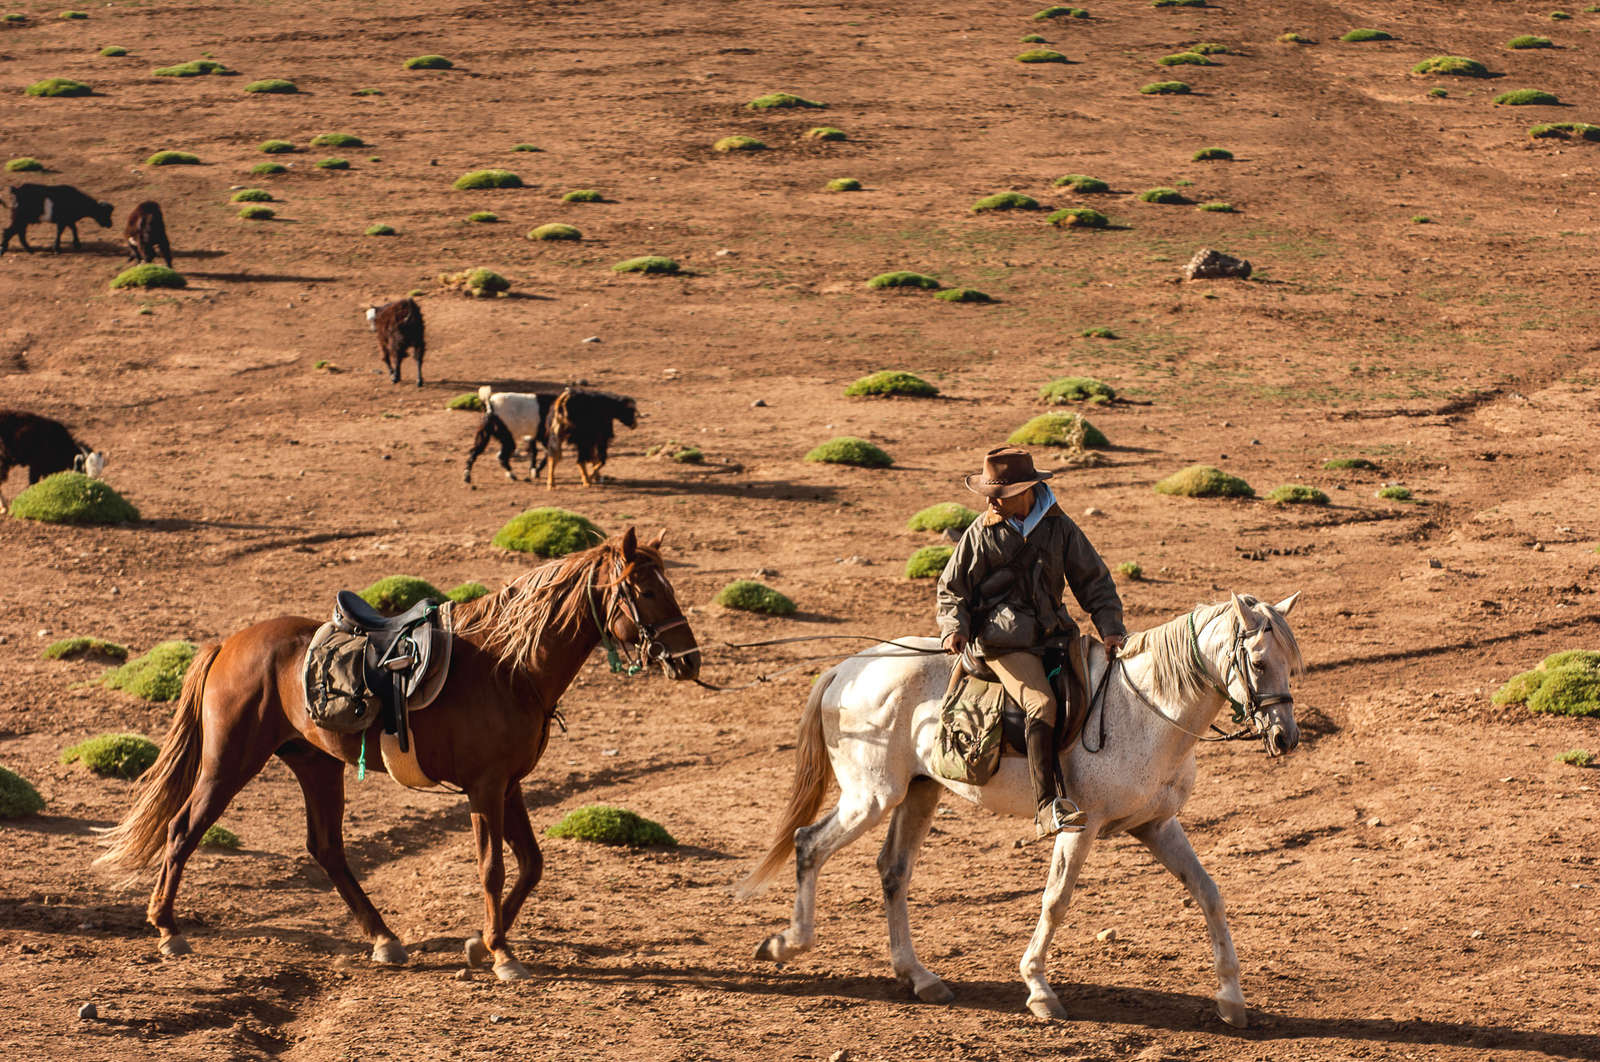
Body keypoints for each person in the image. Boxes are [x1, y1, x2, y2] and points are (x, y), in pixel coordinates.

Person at [936, 446, 1126, 838]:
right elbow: (952, 589)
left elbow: (1094, 581)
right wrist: (953, 627)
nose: (991, 501)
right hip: (1002, 643)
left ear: (1027, 491)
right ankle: (1047, 807)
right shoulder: (981, 533)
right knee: (1041, 702)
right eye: (989, 493)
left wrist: (1110, 627)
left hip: (1055, 635)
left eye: (999, 494)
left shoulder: (1060, 528)